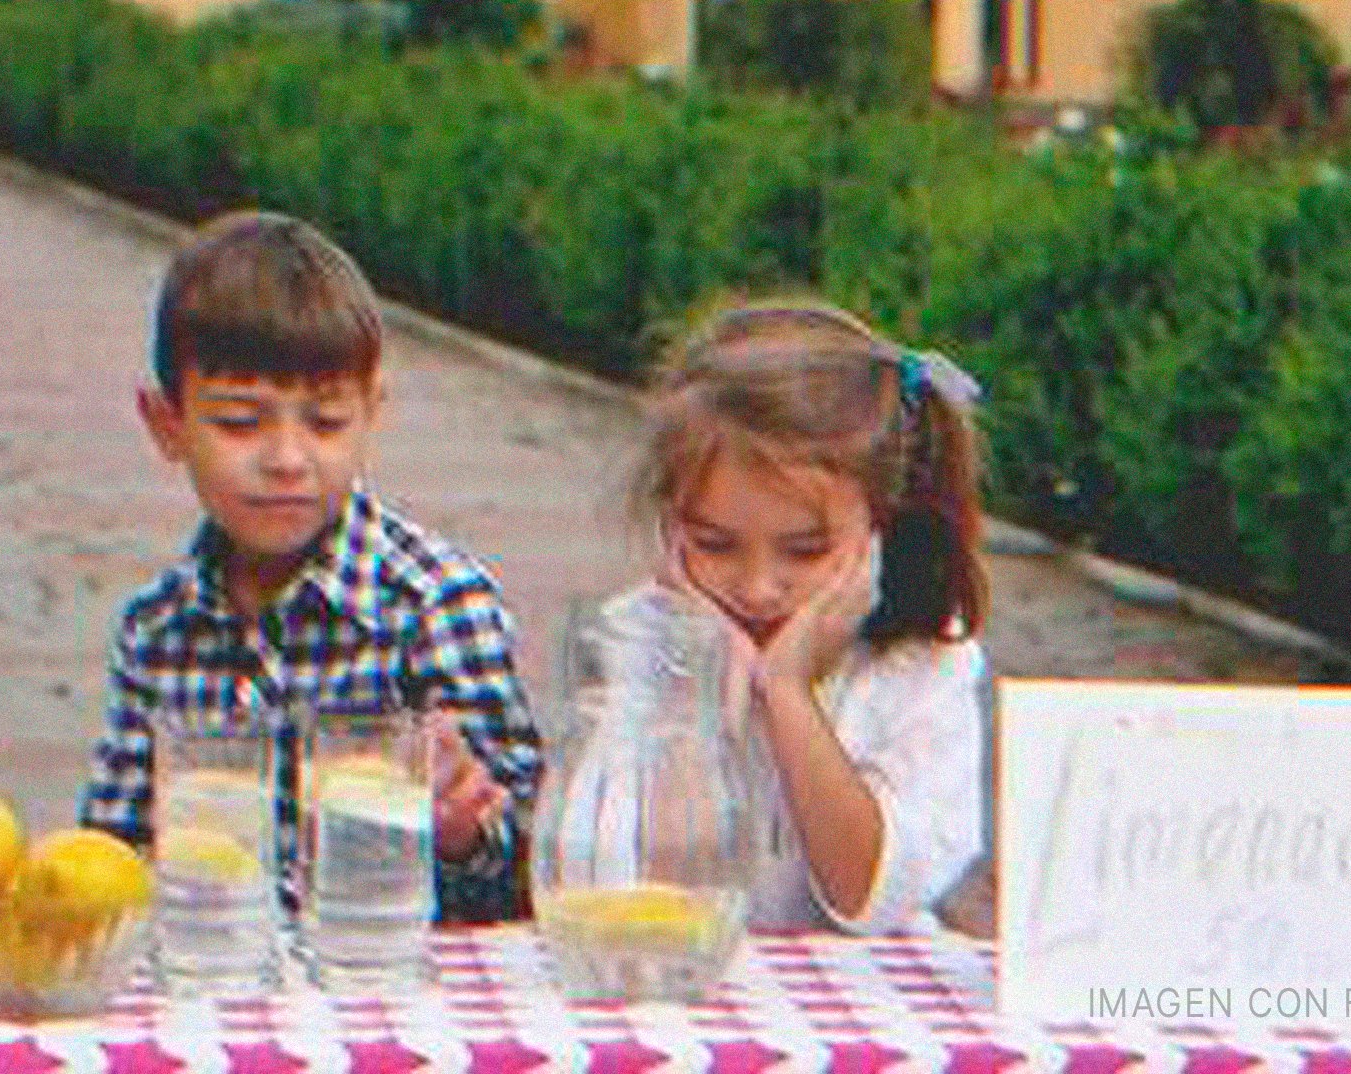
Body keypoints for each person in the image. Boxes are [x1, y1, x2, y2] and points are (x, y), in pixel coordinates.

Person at [77, 210, 541, 923]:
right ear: (167, 423)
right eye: (240, 423)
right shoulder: (158, 630)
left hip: (382, 991)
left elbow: (528, 870)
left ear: (371, 414)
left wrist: (463, 829)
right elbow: (111, 851)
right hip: (213, 990)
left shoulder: (435, 606)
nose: (287, 459)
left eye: (326, 423)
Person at [627, 300, 989, 934]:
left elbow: (866, 898)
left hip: (871, 1010)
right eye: (713, 544)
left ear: (880, 528)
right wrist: (706, 687)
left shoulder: (922, 670)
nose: (759, 588)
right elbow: (651, 887)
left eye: (804, 551)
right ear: (668, 525)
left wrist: (786, 691)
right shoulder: (635, 642)